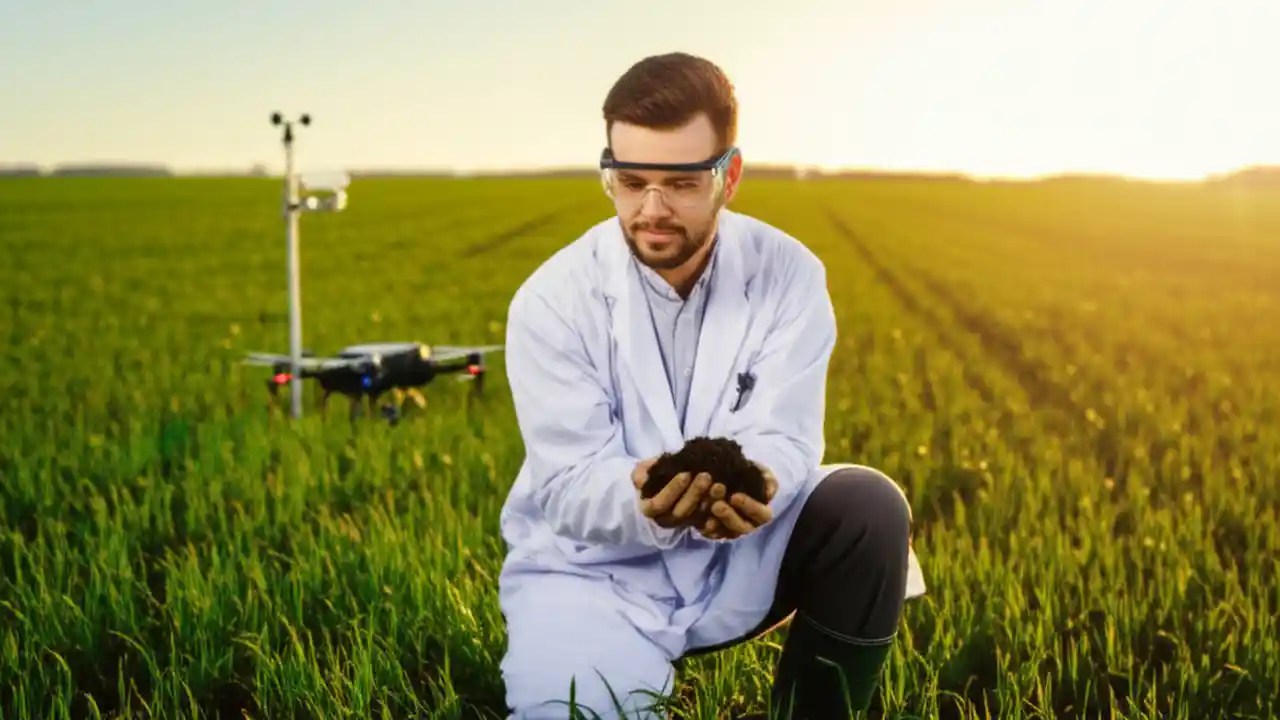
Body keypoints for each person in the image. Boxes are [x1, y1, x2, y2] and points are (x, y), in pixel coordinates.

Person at [495, 52, 927, 719]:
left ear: (730, 175)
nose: (652, 209)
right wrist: (647, 493)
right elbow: (567, 487)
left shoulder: (787, 273)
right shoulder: (552, 299)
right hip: (593, 573)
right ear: (606, 173)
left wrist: (763, 484)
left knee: (867, 507)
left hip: (746, 547)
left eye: (681, 183)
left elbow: (785, 433)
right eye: (631, 181)